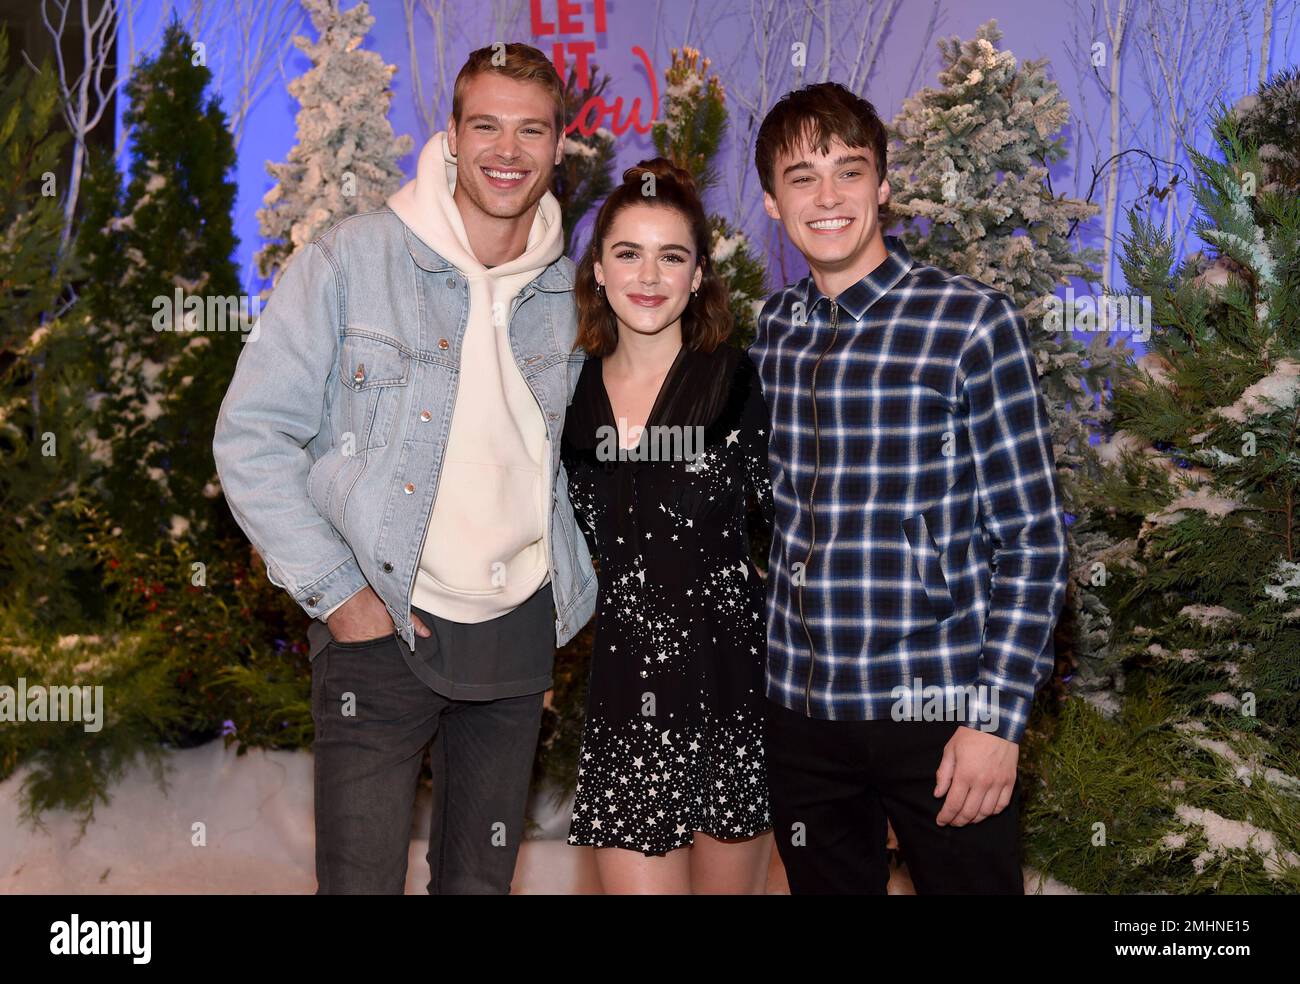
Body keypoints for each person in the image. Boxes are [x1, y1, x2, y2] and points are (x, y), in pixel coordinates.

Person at [212, 43, 597, 894]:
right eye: (486, 124)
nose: (508, 149)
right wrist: (340, 595)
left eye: (531, 129)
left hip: (514, 640)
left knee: (477, 885)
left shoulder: (568, 296)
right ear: (452, 138)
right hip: (379, 627)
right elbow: (251, 434)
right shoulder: (354, 258)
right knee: (358, 884)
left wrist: (558, 605)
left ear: (558, 147)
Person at [748, 81, 1070, 894]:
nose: (828, 197)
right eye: (802, 177)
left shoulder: (968, 323)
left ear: (883, 186)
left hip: (938, 712)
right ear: (771, 203)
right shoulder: (770, 333)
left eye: (849, 171)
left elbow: (1032, 539)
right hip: (801, 716)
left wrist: (997, 720)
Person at [560, 158, 776, 894]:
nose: (649, 275)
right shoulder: (563, 394)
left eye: (671, 255)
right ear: (597, 270)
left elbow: (805, 530)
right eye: (628, 252)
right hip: (625, 704)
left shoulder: (743, 384)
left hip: (733, 697)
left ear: (698, 275)